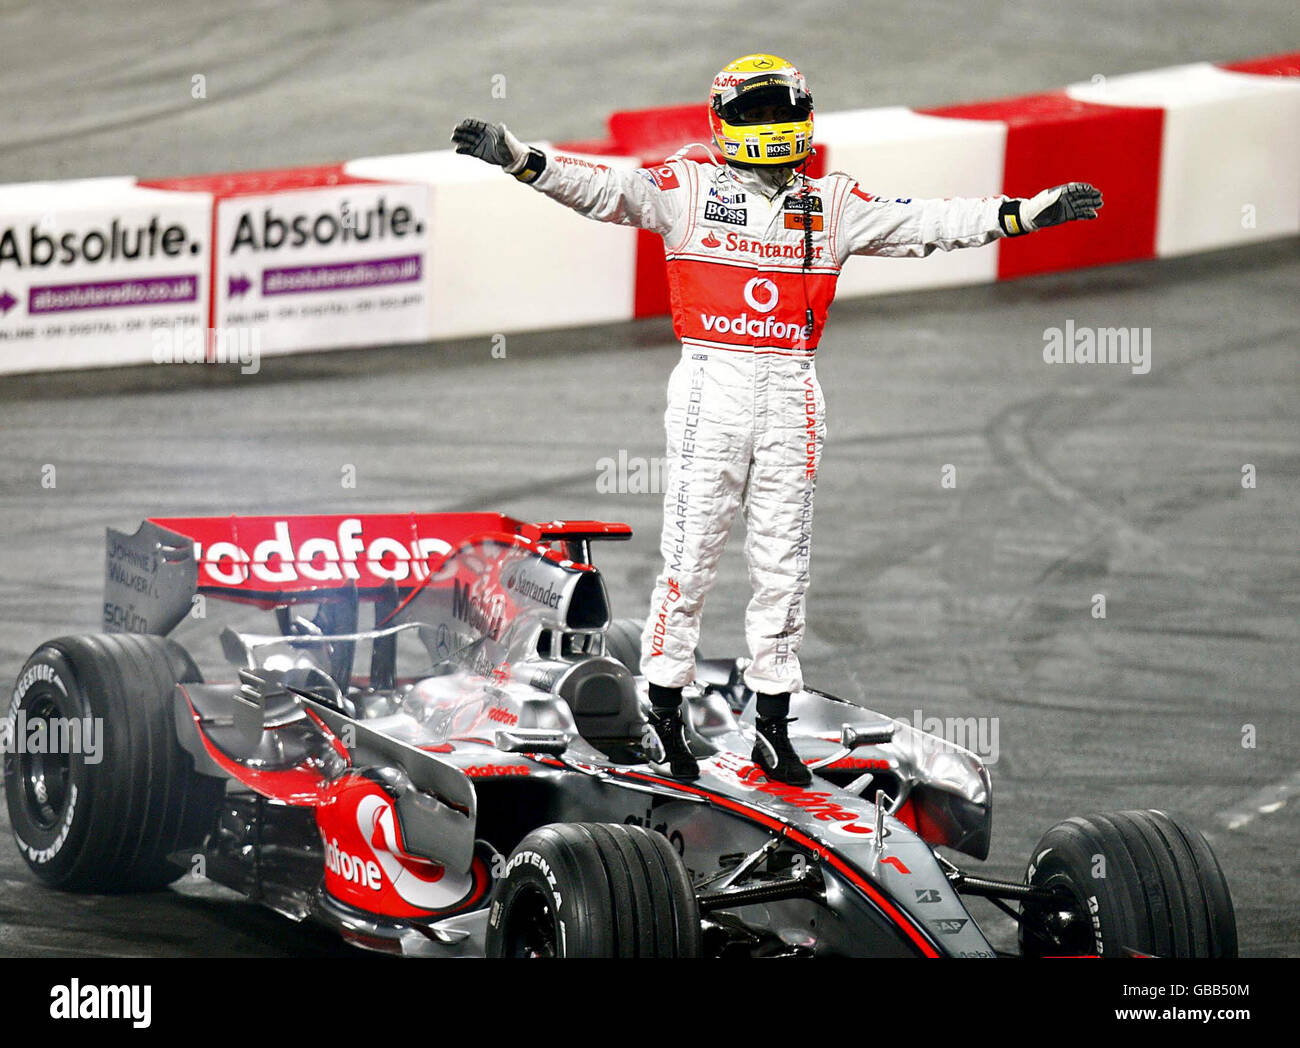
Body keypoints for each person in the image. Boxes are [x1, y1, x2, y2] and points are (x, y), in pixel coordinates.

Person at [453, 54, 1102, 785]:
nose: (772, 125)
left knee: (783, 572)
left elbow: (930, 222)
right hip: (711, 381)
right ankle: (662, 712)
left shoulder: (833, 202)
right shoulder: (687, 186)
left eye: (781, 110)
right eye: (758, 112)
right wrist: (518, 158)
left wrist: (1023, 212)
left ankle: (771, 725)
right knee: (689, 562)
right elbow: (604, 188)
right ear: (725, 119)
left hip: (793, 386)